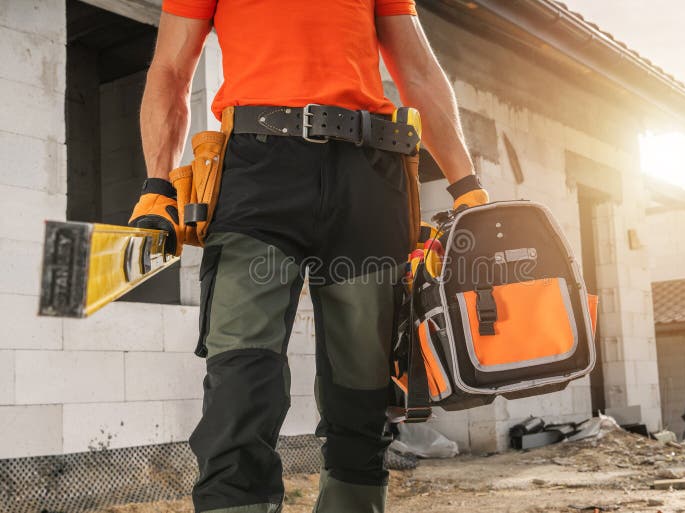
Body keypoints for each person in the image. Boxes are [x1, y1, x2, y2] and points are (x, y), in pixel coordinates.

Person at [129, 1, 489, 512]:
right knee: (240, 378)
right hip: (257, 174)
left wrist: (466, 185)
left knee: (363, 392)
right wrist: (157, 185)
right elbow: (171, 68)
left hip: (369, 176)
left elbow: (416, 69)